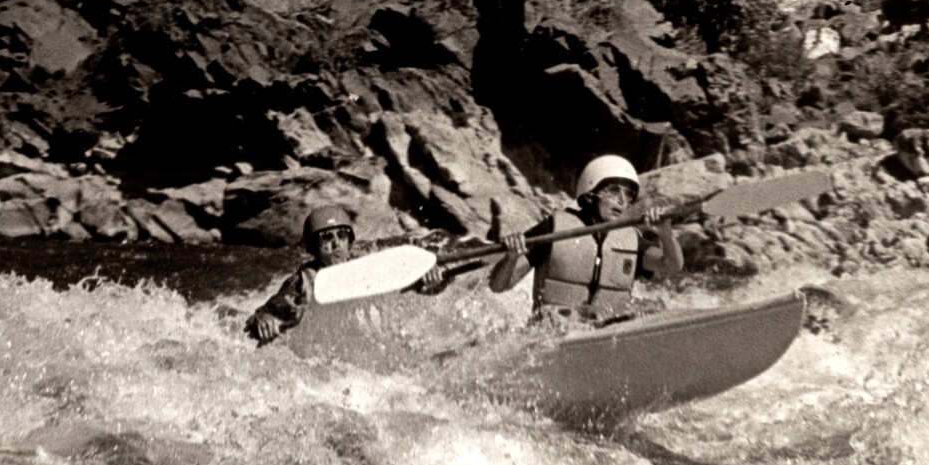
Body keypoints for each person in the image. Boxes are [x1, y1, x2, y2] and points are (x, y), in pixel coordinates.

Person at [488, 155, 684, 323]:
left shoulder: (631, 238)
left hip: (609, 330)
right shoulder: (553, 229)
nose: (622, 201)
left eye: (628, 194)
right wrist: (511, 257)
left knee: (653, 307)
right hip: (557, 330)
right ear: (590, 195)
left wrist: (665, 233)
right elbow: (498, 286)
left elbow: (671, 265)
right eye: (614, 190)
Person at [248, 205, 445, 343]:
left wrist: (430, 271)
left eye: (341, 235)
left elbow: (412, 262)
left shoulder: (367, 258)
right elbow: (262, 315)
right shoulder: (303, 281)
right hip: (330, 350)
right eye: (326, 237)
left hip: (376, 337)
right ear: (313, 247)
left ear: (349, 241)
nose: (336, 244)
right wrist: (264, 321)